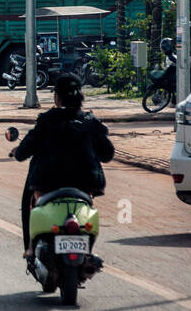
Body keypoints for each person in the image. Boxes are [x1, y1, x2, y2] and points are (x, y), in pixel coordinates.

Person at [10, 74, 114, 260]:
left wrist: (17, 152)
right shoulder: (90, 122)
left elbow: (24, 151)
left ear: (57, 97)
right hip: (86, 184)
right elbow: (108, 155)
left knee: (28, 201)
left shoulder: (46, 121)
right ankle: (87, 250)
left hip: (48, 183)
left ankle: (30, 248)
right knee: (88, 209)